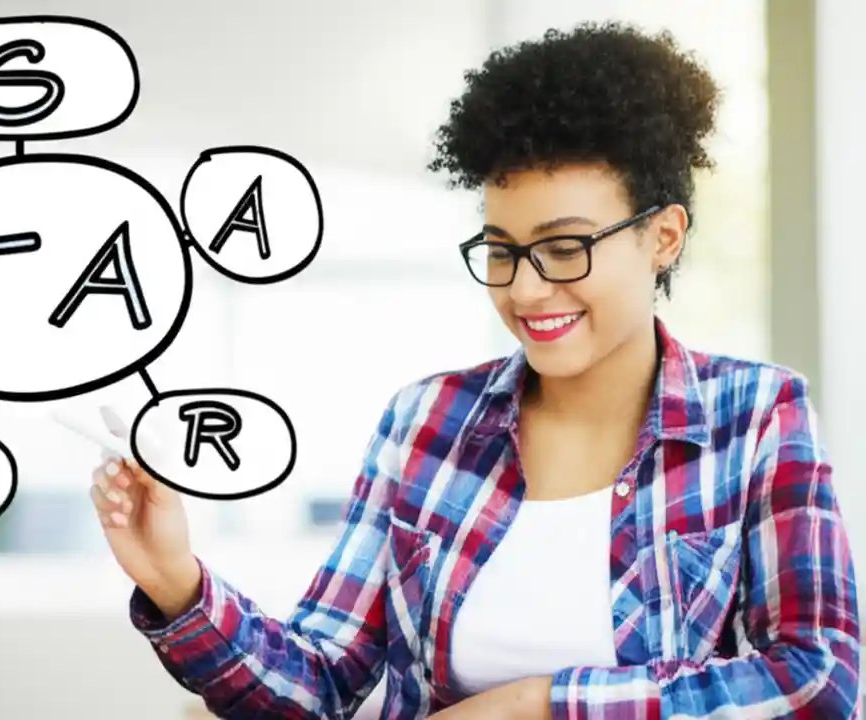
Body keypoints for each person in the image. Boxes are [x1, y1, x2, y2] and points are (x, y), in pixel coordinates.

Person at [88, 20, 861, 719]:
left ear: (662, 237)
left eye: (566, 248)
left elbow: (817, 679)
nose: (525, 289)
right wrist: (176, 580)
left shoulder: (756, 414)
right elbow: (320, 684)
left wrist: (536, 706)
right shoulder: (426, 421)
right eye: (501, 251)